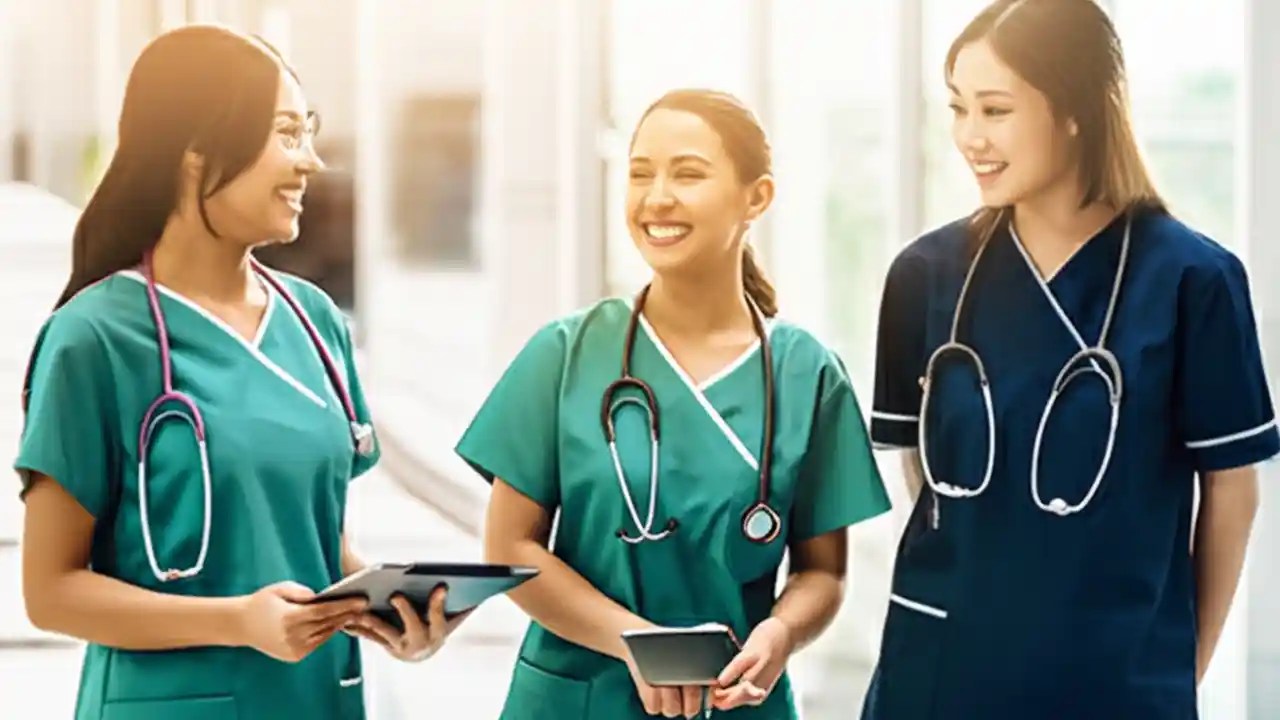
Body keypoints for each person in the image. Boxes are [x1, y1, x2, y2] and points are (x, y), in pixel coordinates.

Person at [15, 25, 467, 720]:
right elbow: (50, 593)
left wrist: (394, 614)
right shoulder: (94, 339)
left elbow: (313, 537)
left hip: (317, 698)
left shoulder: (316, 323)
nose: (312, 161)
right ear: (197, 151)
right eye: (287, 134)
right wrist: (235, 621)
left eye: (308, 132)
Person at [862, 1, 1278, 718]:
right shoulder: (924, 275)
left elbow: (1231, 495)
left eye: (995, 110)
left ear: (1077, 109)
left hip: (1115, 682)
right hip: (938, 672)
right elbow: (924, 477)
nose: (969, 137)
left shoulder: (1192, 280)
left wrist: (1177, 668)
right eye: (958, 108)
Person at [455, 88, 891, 720]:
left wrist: (780, 634)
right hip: (580, 698)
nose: (657, 197)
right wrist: (636, 644)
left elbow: (822, 573)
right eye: (639, 174)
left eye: (687, 173)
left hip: (737, 700)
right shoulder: (565, 353)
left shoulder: (806, 374)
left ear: (756, 198)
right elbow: (509, 548)